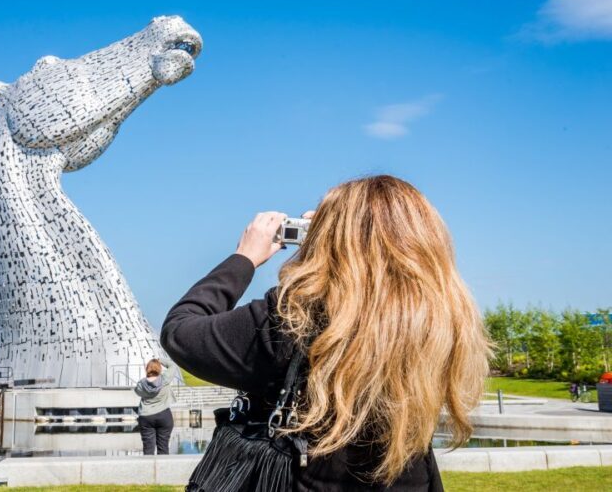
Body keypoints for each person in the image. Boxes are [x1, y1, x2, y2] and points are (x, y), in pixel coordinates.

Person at [161, 175, 490, 491]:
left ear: (335, 238)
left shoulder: (295, 317)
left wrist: (244, 257)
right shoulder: (442, 322)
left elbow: (181, 332)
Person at [135, 357, 177, 455]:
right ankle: (163, 469)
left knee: (148, 449)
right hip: (164, 415)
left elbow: (137, 392)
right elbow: (173, 365)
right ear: (159, 369)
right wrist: (160, 360)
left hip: (146, 416)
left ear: (147, 369)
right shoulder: (165, 378)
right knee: (163, 447)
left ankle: (147, 469)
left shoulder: (141, 384)